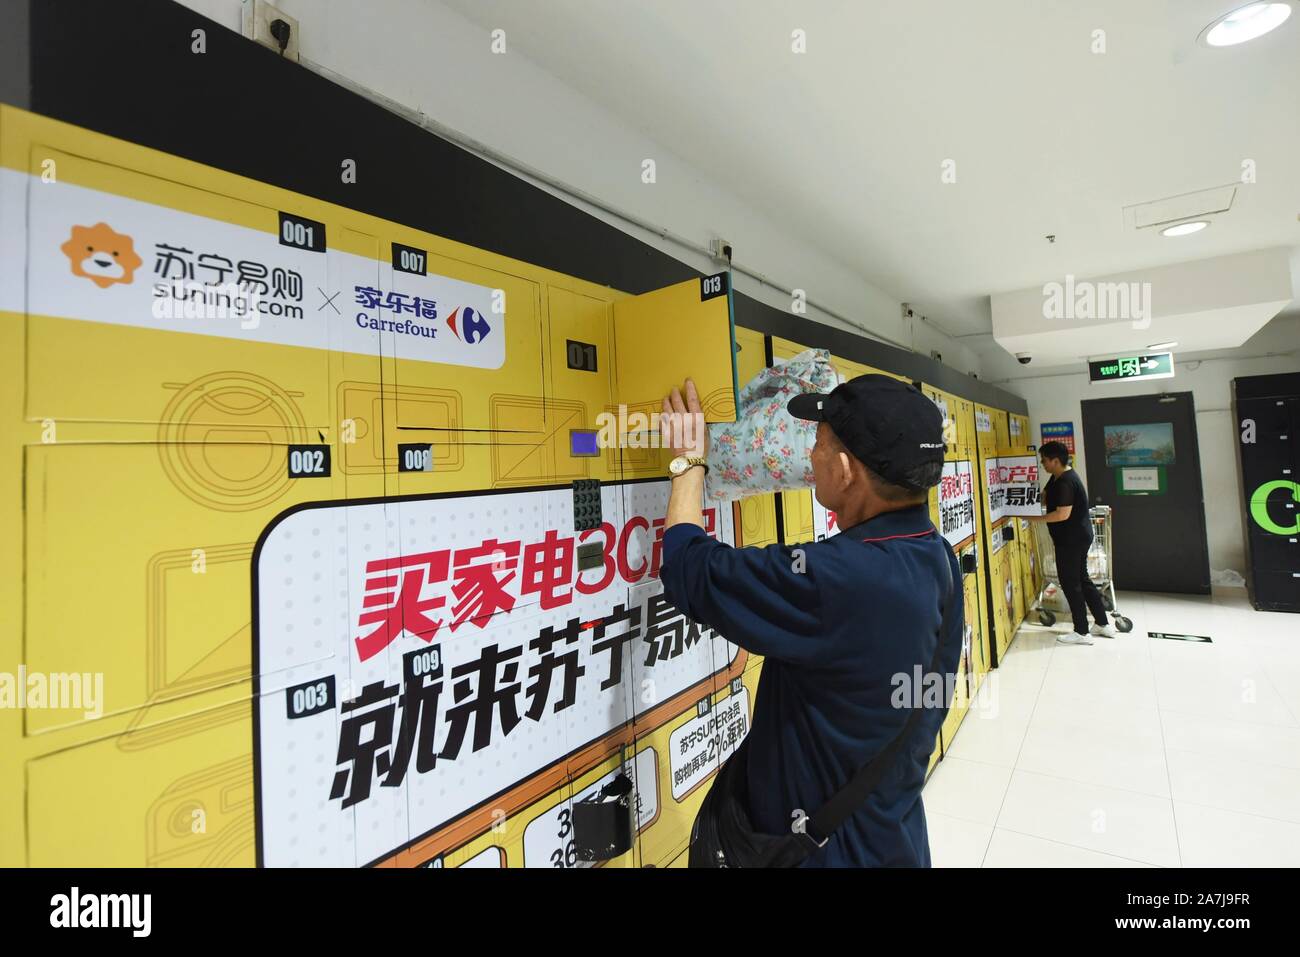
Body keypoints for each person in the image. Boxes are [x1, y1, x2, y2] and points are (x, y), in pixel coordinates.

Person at [656, 374, 962, 867]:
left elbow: (689, 568)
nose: (809, 457)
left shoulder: (839, 578)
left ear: (844, 469)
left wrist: (689, 463)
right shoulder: (939, 558)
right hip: (892, 837)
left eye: (817, 444)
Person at [1030, 441, 1117, 644]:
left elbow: (1062, 514)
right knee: (1083, 580)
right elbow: (1045, 497)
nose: (1042, 463)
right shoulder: (1057, 477)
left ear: (1055, 460)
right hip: (1077, 536)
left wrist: (1032, 518)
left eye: (1044, 460)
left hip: (1072, 539)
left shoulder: (1066, 482)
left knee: (1071, 583)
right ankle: (1102, 624)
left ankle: (1081, 632)